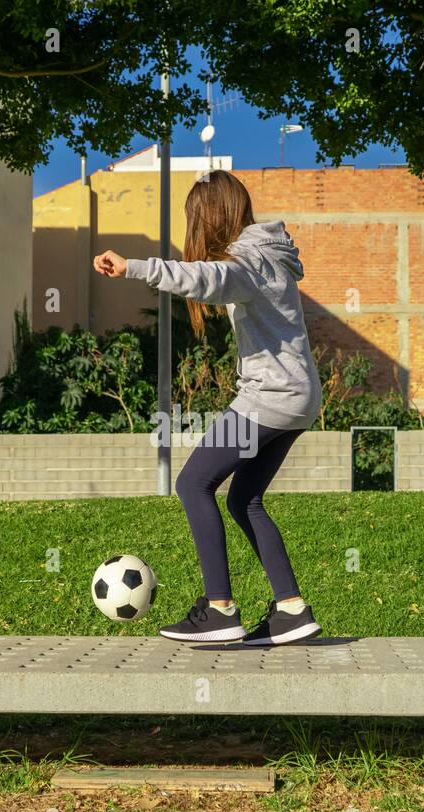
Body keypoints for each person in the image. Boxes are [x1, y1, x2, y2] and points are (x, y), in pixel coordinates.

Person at [92, 169, 322, 645]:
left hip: (271, 398)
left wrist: (134, 266)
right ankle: (292, 610)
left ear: (212, 218)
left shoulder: (249, 261)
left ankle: (220, 610)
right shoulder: (270, 253)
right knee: (244, 498)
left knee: (193, 482)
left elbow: (208, 277)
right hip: (298, 398)